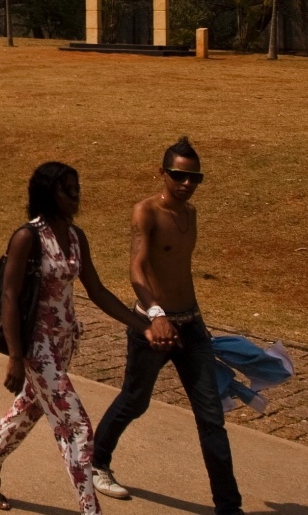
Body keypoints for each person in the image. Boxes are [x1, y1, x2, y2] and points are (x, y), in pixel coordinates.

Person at [0, 161, 153, 513]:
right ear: (47, 193)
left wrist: (142, 323)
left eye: (77, 188)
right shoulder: (28, 237)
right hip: (35, 350)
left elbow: (97, 290)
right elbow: (9, 296)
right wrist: (15, 355)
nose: (75, 195)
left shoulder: (75, 236)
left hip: (63, 343)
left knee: (27, 409)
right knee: (77, 427)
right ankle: (91, 510)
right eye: (66, 189)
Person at [89, 137, 244, 515]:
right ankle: (95, 462)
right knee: (135, 400)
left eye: (195, 177)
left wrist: (190, 319)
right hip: (151, 327)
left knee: (211, 418)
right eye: (178, 175)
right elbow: (137, 267)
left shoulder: (190, 214)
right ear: (162, 173)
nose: (187, 183)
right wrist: (155, 314)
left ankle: (229, 507)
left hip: (191, 326)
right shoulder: (145, 212)